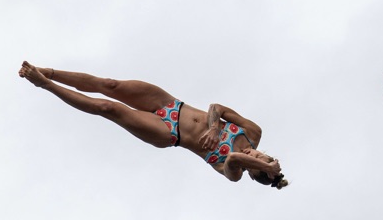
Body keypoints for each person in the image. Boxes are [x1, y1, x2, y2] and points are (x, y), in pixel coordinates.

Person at [18, 62, 287, 188]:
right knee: (111, 85)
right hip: (173, 105)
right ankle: (49, 71)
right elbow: (217, 108)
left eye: (256, 165)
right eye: (261, 157)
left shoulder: (234, 172)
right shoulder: (253, 133)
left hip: (168, 132)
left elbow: (237, 158)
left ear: (252, 172)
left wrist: (264, 166)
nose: (254, 156)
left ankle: (45, 84)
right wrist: (215, 127)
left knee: (107, 108)